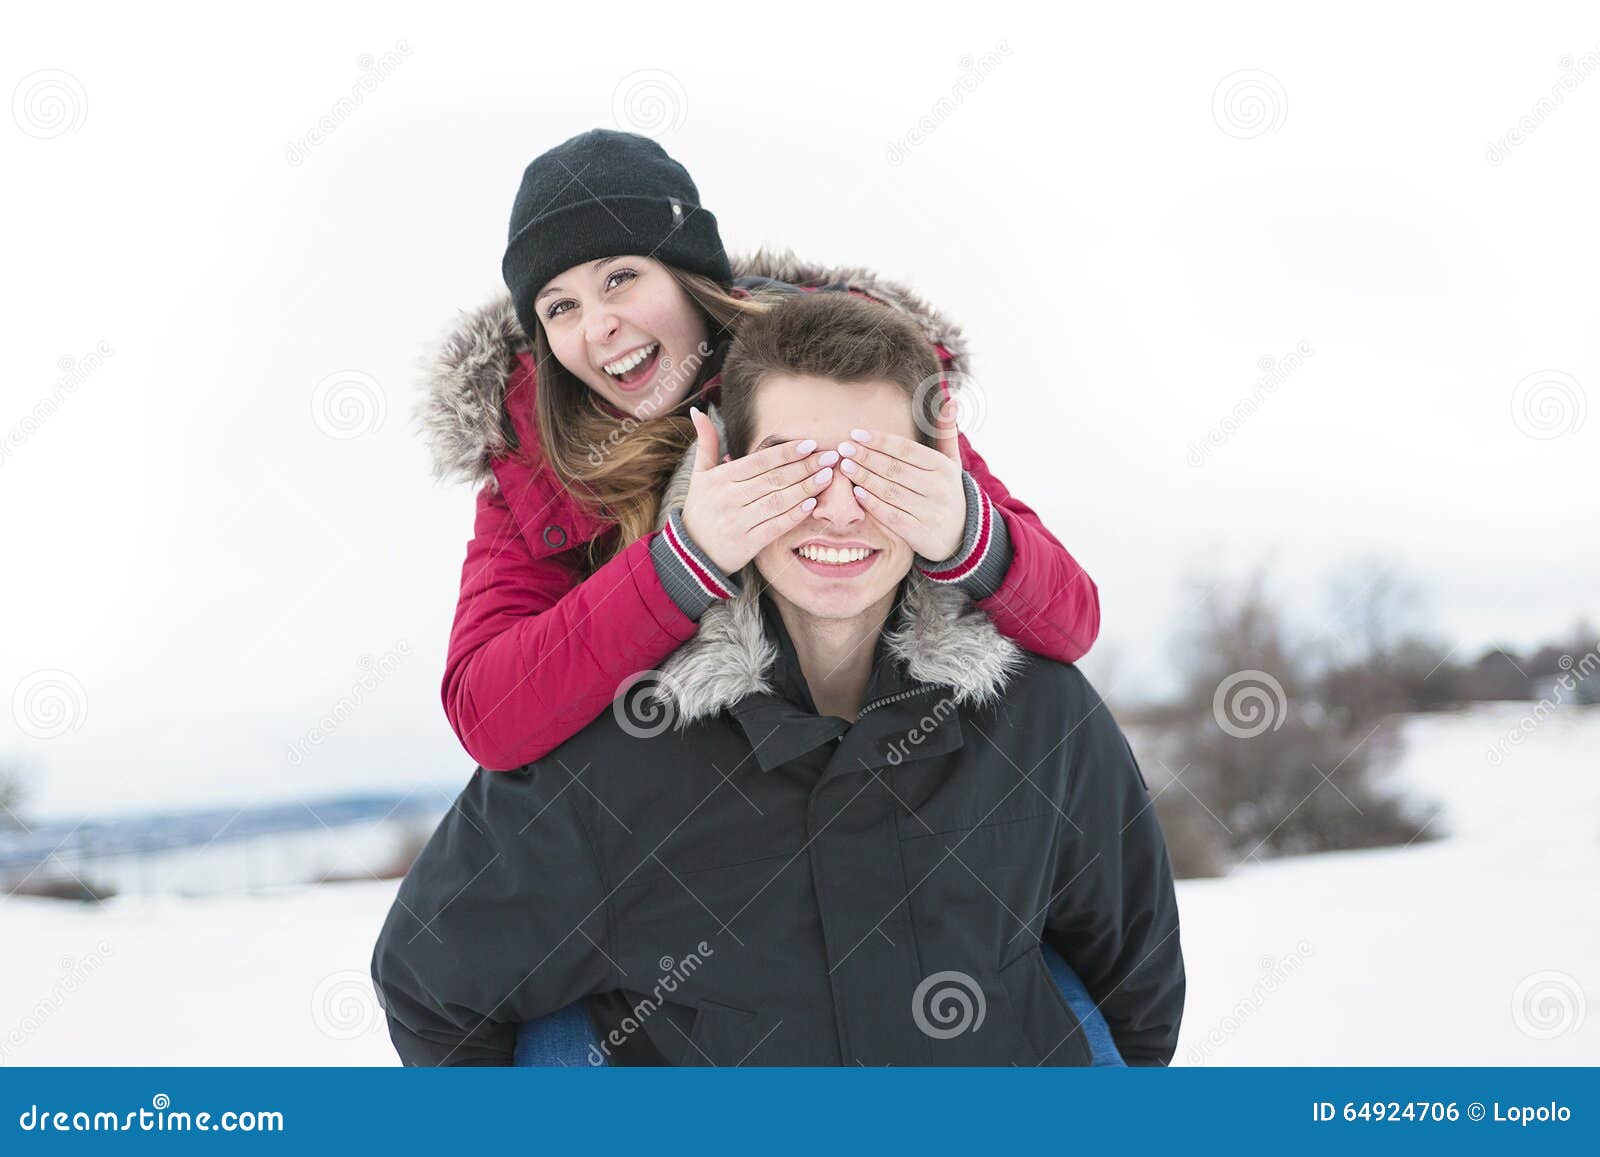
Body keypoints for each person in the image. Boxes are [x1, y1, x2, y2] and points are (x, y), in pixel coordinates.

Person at [373, 291, 1185, 1066]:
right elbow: (431, 984)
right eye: (793, 468)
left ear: (940, 469)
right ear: (722, 469)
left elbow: (1135, 995)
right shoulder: (615, 756)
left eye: (878, 468)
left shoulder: (1042, 716)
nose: (838, 508)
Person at [421, 128, 1101, 772]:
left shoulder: (841, 375)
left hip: (894, 768)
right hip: (688, 803)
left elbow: (1072, 621)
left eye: (620, 277)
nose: (598, 326)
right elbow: (489, 716)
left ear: (688, 271)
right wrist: (682, 564)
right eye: (559, 307)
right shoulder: (533, 466)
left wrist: (969, 533)